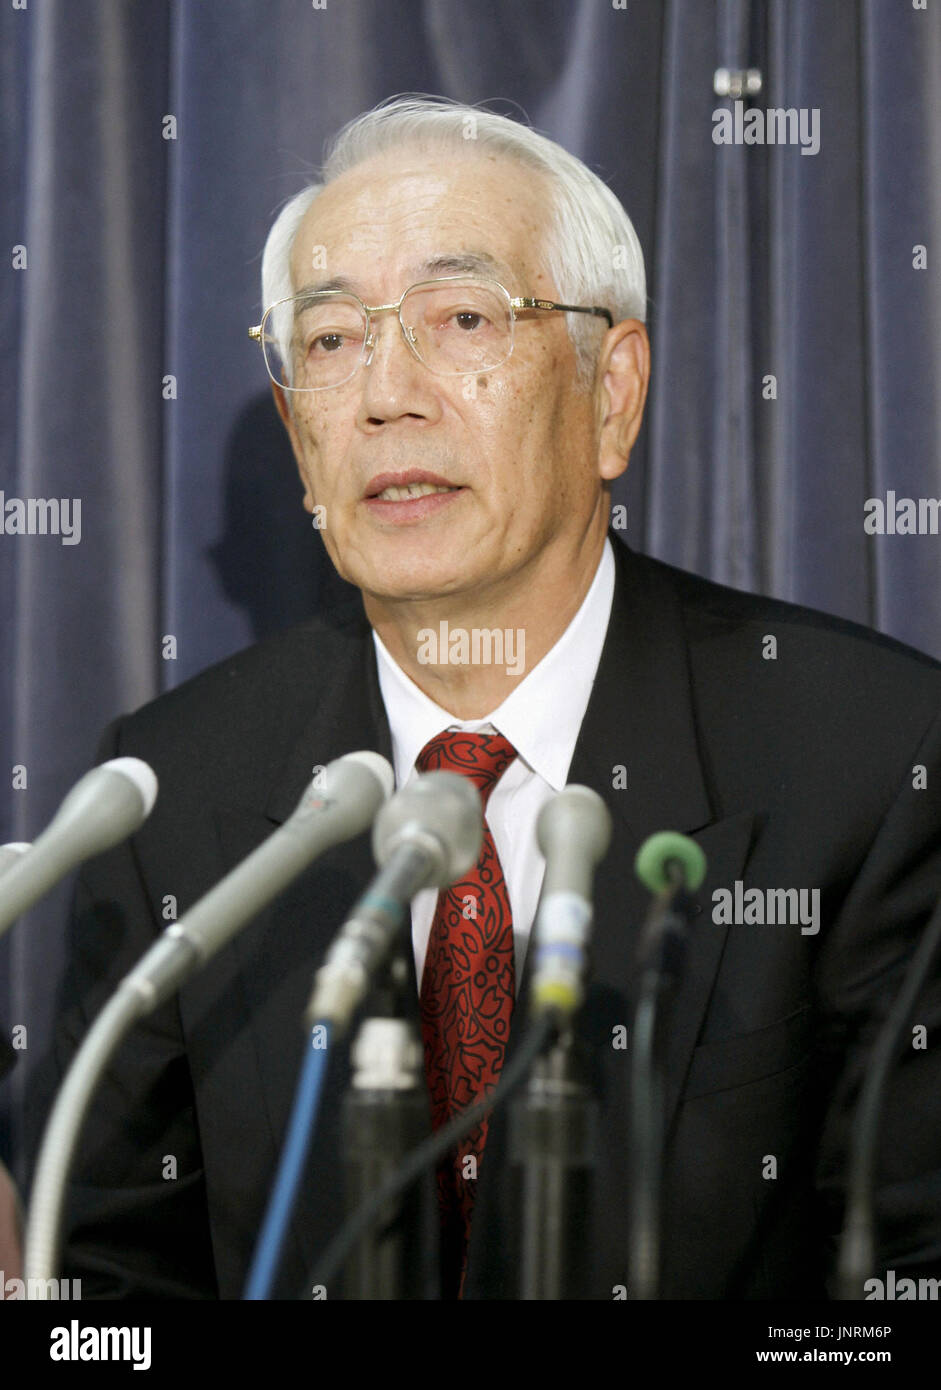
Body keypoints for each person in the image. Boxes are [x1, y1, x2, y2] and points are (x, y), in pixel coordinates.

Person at [41, 96, 941, 1299]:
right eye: (329, 341)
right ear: (298, 438)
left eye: (460, 317)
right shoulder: (168, 799)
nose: (384, 395)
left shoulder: (868, 760)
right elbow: (105, 1292)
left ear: (609, 393)